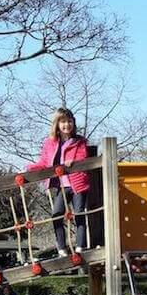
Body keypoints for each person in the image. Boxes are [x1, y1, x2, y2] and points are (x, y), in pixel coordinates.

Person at [27, 107, 94, 257]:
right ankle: (62, 248)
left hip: (77, 183)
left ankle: (80, 247)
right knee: (56, 215)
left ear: (73, 123)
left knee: (79, 215)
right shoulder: (50, 143)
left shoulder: (79, 142)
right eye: (63, 122)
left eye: (69, 121)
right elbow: (44, 163)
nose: (66, 125)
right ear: (57, 124)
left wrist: (74, 161)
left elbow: (82, 157)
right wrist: (29, 168)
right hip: (61, 186)